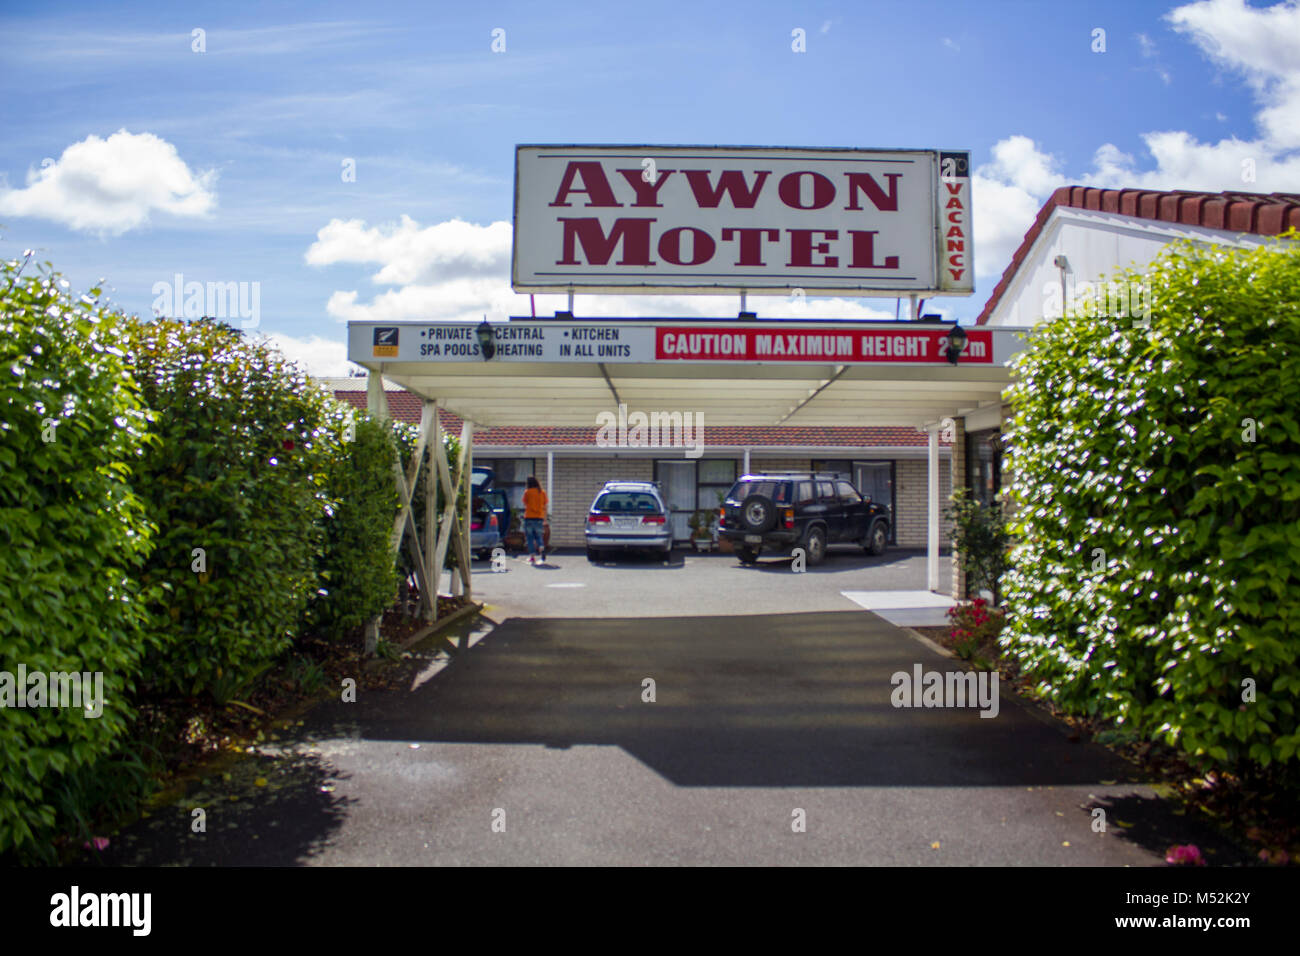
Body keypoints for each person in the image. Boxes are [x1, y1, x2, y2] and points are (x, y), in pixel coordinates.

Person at [522, 476, 548, 565]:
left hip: (529, 517)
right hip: (539, 517)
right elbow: (545, 505)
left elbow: (525, 502)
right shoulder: (542, 492)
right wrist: (544, 518)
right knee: (538, 536)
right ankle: (541, 547)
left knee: (530, 537)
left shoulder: (527, 492)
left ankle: (532, 557)